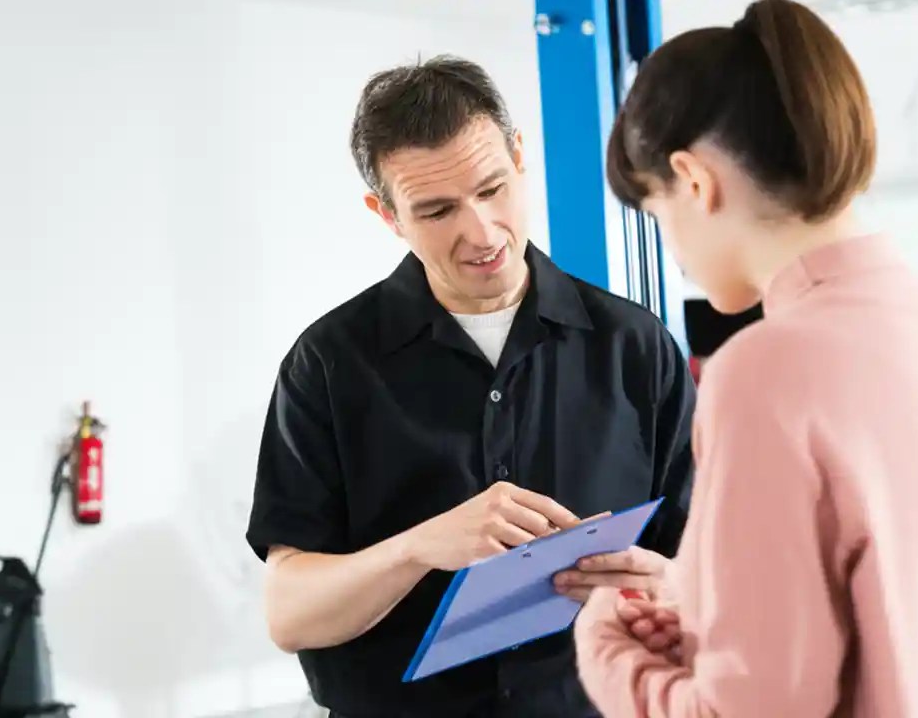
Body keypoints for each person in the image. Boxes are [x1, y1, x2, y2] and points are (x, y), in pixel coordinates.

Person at [573, 0, 918, 716]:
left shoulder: (763, 372)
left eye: (656, 210)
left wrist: (609, 654)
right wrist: (708, 610)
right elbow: (904, 626)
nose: (671, 253)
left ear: (695, 180)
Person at [245, 55, 696, 718]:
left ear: (518, 157)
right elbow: (289, 614)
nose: (480, 233)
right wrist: (417, 548)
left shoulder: (634, 346)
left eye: (491, 189)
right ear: (386, 213)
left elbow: (703, 568)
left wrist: (668, 581)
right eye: (436, 211)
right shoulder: (328, 365)